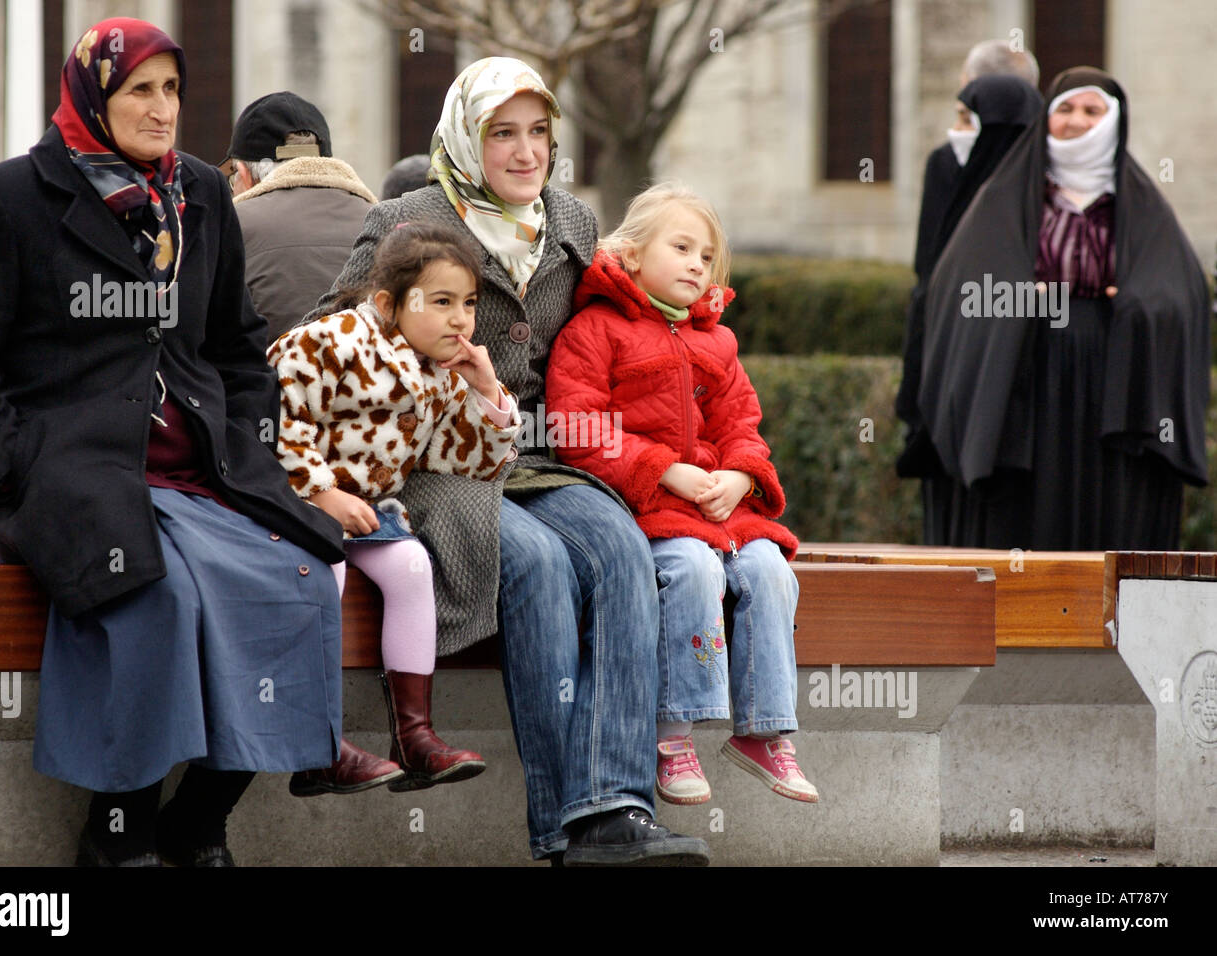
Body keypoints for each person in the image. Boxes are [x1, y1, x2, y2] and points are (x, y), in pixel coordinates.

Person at [0, 18, 347, 867]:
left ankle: (198, 822)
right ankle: (118, 833)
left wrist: (250, 447)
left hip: (202, 472)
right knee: (155, 598)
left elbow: (235, 346)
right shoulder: (7, 200)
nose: (163, 110)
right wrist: (11, 473)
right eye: (139, 90)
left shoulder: (199, 194)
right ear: (92, 97)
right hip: (71, 477)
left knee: (303, 583)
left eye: (173, 90)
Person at [306, 57, 709, 865]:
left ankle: (615, 808)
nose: (527, 154)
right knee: (534, 565)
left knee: (624, 553)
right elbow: (331, 329)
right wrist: (426, 361)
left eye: (539, 134)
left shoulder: (574, 221)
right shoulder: (405, 216)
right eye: (503, 134)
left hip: (545, 455)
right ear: (465, 136)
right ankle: (561, 825)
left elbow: (611, 337)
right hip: (437, 460)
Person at [545, 182, 816, 808]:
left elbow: (742, 424)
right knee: (692, 570)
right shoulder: (595, 329)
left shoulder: (716, 341)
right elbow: (575, 426)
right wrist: (664, 469)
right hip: (649, 512)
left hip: (724, 513)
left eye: (707, 255)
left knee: (771, 570)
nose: (698, 264)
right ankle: (673, 736)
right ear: (633, 255)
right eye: (682, 247)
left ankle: (766, 732)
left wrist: (743, 477)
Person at [271, 222, 520, 794]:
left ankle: (414, 737)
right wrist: (319, 493)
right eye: (442, 302)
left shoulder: (441, 375)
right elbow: (272, 419)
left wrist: (487, 394)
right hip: (292, 507)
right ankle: (316, 743)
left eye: (469, 303)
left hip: (373, 515)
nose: (462, 319)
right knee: (323, 567)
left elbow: (470, 463)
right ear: (388, 303)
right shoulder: (328, 343)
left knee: (413, 567)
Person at [918, 67, 1210, 550]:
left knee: (1106, 523)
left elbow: (1181, 296)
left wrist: (1137, 303)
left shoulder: (1140, 206)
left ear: (1113, 121)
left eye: (1091, 111)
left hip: (1113, 381)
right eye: (1065, 110)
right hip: (1025, 380)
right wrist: (1018, 299)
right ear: (1046, 119)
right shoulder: (1005, 198)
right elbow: (959, 289)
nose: (1076, 122)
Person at [897, 41, 1042, 542]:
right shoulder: (946, 164)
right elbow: (928, 271)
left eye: (967, 115)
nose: (958, 133)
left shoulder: (1043, 180)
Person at [222, 92, 377, 342]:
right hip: (368, 380)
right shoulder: (383, 220)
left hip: (269, 380)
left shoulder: (229, 226)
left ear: (244, 174)